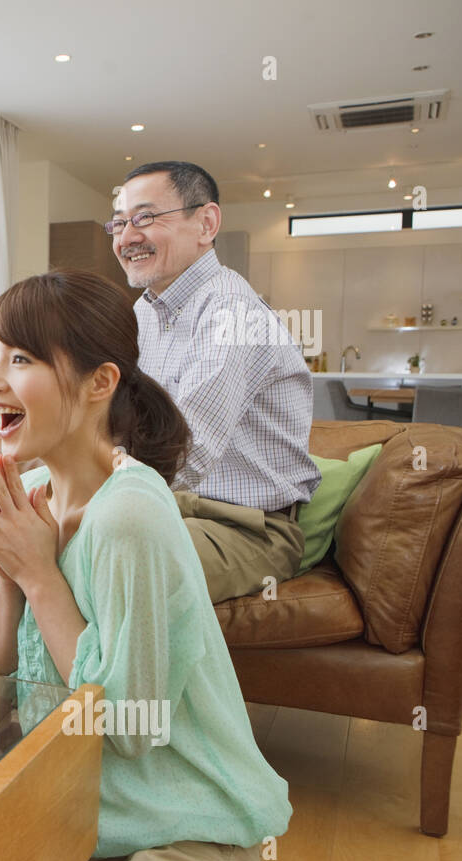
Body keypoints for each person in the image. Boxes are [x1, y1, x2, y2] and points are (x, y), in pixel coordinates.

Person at [0, 269, 291, 861]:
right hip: (75, 824)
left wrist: (41, 576)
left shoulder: (129, 513)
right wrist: (12, 580)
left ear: (100, 383)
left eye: (19, 358)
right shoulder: (18, 499)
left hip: (183, 836)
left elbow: (126, 724)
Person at [109, 160, 320, 603]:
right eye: (120, 222)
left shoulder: (231, 311)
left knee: (116, 560)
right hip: (170, 506)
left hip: (247, 528)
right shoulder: (145, 312)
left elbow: (186, 451)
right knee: (39, 536)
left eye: (145, 218)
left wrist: (87, 493)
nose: (127, 237)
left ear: (206, 223)